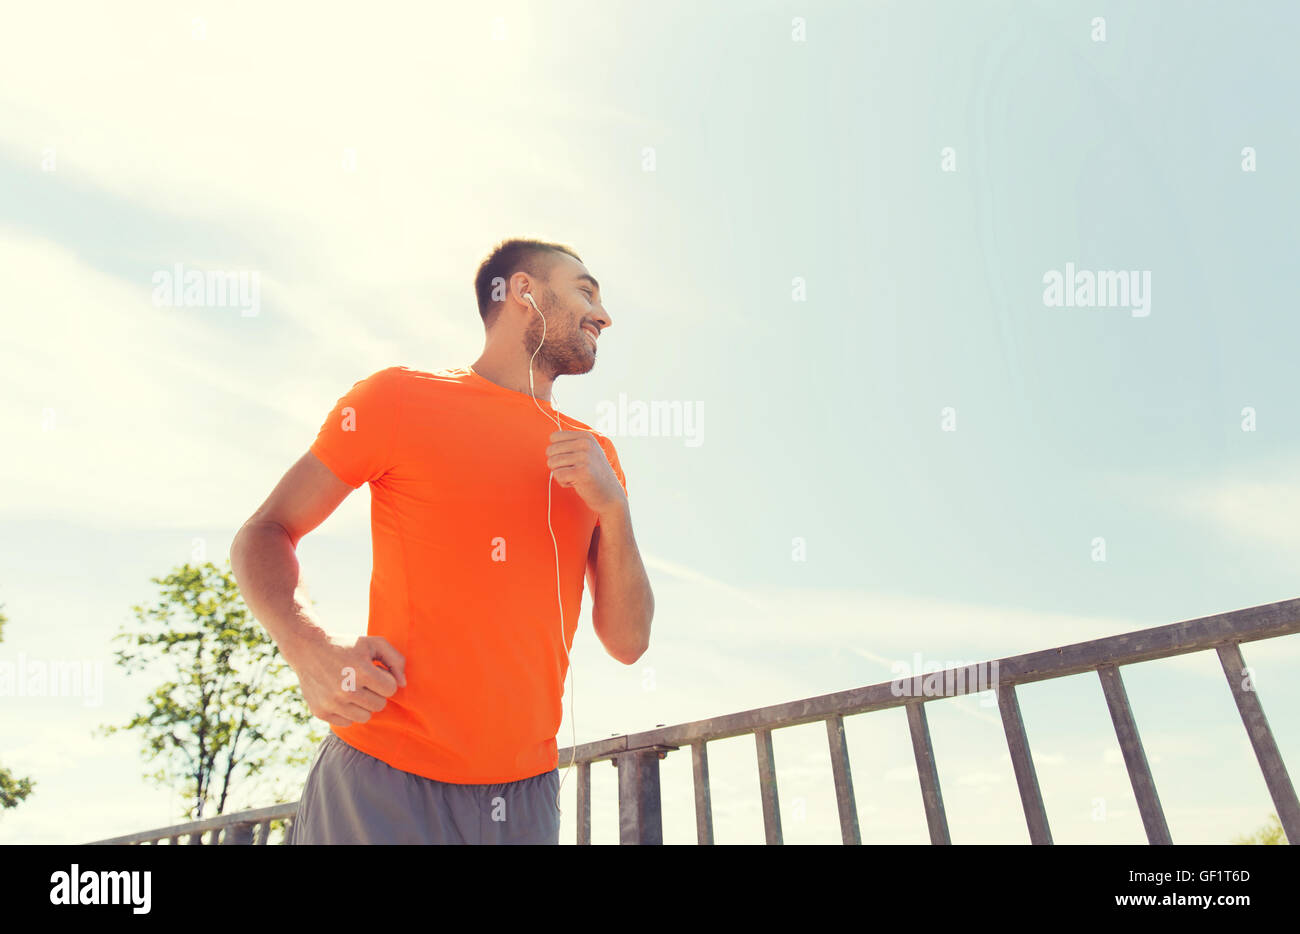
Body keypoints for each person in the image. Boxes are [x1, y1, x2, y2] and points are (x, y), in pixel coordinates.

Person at [230, 238, 655, 844]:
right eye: (586, 291)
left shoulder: (596, 456)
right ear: (524, 292)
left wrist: (613, 510)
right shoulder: (398, 398)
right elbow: (263, 533)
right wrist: (308, 648)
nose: (604, 315)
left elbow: (629, 642)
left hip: (526, 800)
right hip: (382, 782)